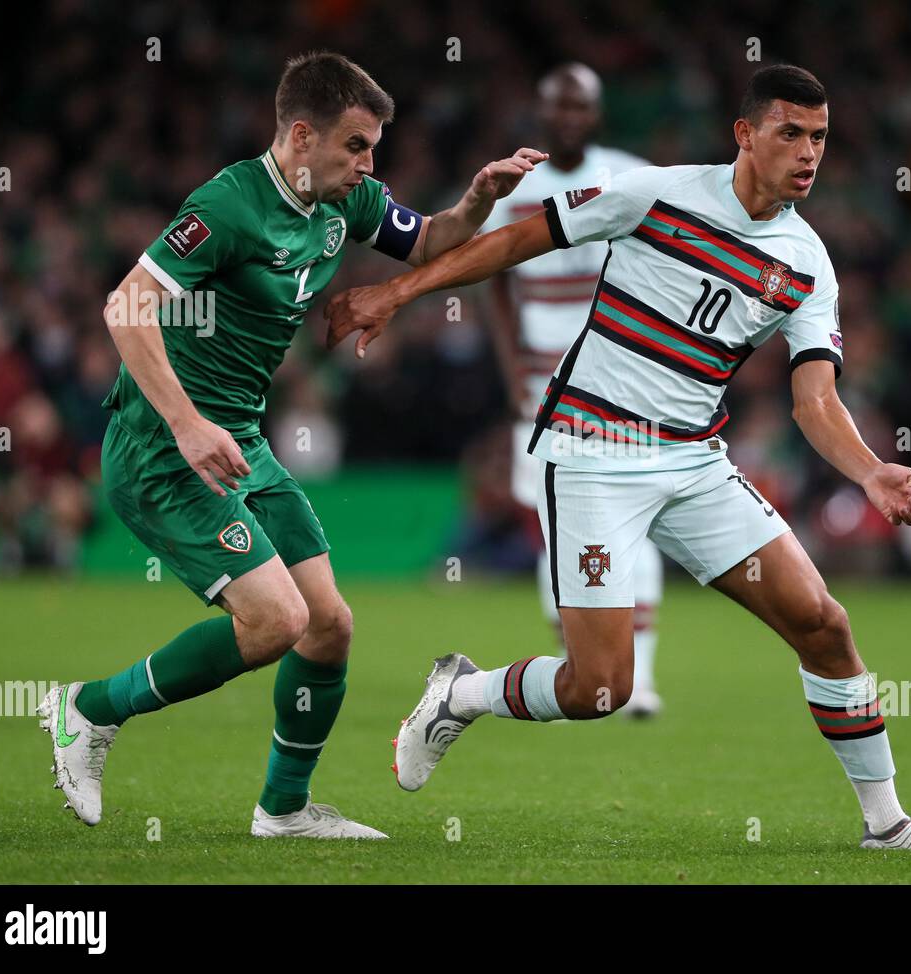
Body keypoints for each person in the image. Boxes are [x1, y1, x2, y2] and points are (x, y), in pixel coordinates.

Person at [326, 64, 911, 853]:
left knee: (823, 623)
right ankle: (462, 693)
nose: (808, 152)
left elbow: (813, 400)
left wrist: (871, 470)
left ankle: (885, 825)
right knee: (600, 688)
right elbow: (515, 239)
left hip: (692, 463)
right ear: (744, 135)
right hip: (593, 452)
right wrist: (398, 295)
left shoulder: (808, 262)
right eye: (790, 133)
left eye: (819, 137)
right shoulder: (654, 193)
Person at [39, 51, 546, 838]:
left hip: (238, 441)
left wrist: (479, 196)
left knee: (329, 624)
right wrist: (186, 422)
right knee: (275, 621)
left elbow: (435, 241)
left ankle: (284, 810)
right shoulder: (230, 205)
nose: (368, 165)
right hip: (162, 446)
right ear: (301, 136)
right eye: (355, 146)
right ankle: (88, 709)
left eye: (373, 147)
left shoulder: (346, 202)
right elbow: (124, 308)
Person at [483, 63, 663, 716]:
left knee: (635, 522)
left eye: (580, 107)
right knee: (553, 528)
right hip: (540, 387)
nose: (568, 118)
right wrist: (512, 378)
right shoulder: (513, 187)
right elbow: (495, 283)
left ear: (597, 112)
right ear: (541, 110)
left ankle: (637, 676)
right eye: (557, 106)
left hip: (620, 384)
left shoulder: (628, 176)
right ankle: (580, 660)